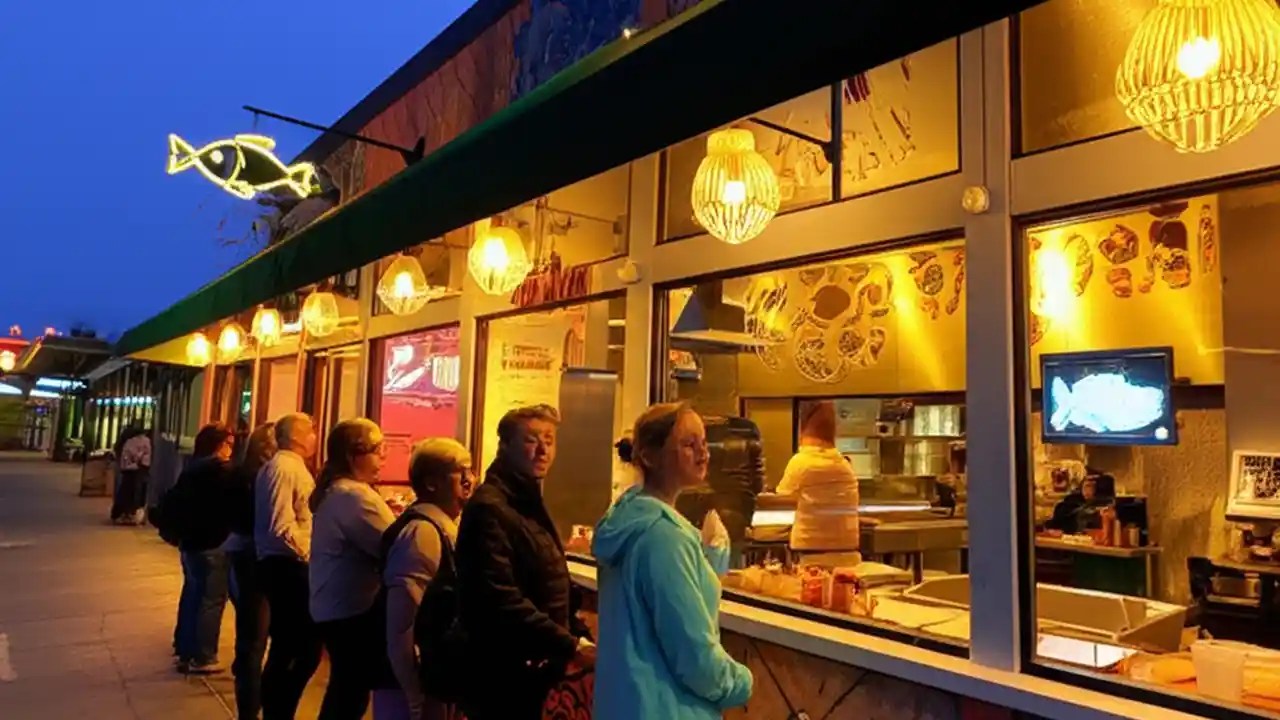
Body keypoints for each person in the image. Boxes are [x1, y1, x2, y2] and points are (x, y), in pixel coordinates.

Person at [592, 403, 753, 719]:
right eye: (689, 445)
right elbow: (695, 659)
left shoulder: (627, 520)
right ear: (650, 457)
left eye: (704, 444)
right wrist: (743, 682)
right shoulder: (664, 536)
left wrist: (709, 560)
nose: (703, 454)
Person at [455, 405, 593, 720]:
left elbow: (546, 581)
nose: (543, 450)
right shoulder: (491, 508)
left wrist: (576, 630)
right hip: (504, 673)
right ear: (505, 446)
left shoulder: (526, 502)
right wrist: (569, 644)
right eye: (532, 440)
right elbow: (498, 597)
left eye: (550, 439)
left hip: (536, 668)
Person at [374, 437, 474, 720]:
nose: (469, 480)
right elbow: (400, 624)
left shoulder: (443, 527)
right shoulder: (423, 532)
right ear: (431, 483)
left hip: (434, 682)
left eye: (470, 470)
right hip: (412, 684)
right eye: (459, 471)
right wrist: (413, 694)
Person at [310, 418, 396, 720]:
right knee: (349, 693)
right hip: (350, 610)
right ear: (353, 455)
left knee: (348, 689)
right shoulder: (353, 496)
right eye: (377, 449)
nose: (384, 456)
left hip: (337, 607)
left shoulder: (344, 492)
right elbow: (394, 545)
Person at [255, 412, 322, 720]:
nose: (314, 437)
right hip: (287, 567)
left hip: (287, 565)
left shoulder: (291, 467)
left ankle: (277, 709)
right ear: (297, 436)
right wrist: (310, 554)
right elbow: (280, 527)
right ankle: (277, 711)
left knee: (294, 649)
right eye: (310, 431)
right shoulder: (283, 468)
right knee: (295, 648)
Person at [171, 423, 237, 674]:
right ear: (220, 445)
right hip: (213, 542)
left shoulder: (190, 470)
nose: (231, 449)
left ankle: (185, 649)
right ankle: (203, 655)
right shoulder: (221, 472)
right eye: (229, 444)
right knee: (211, 599)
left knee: (192, 595)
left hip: (190, 543)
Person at [226, 422, 276, 720]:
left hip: (239, 552)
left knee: (251, 638)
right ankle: (250, 705)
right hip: (255, 557)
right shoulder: (261, 478)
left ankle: (250, 698)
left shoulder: (239, 473)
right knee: (254, 640)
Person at [776, 400, 861, 558]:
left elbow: (782, 496)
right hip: (848, 548)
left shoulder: (801, 461)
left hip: (810, 548)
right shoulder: (843, 465)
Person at [112, 425, 151, 525]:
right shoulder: (145, 441)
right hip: (140, 469)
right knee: (137, 492)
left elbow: (123, 456)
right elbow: (146, 456)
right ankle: (133, 513)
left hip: (128, 470)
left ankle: (123, 513)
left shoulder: (128, 442)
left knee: (126, 490)